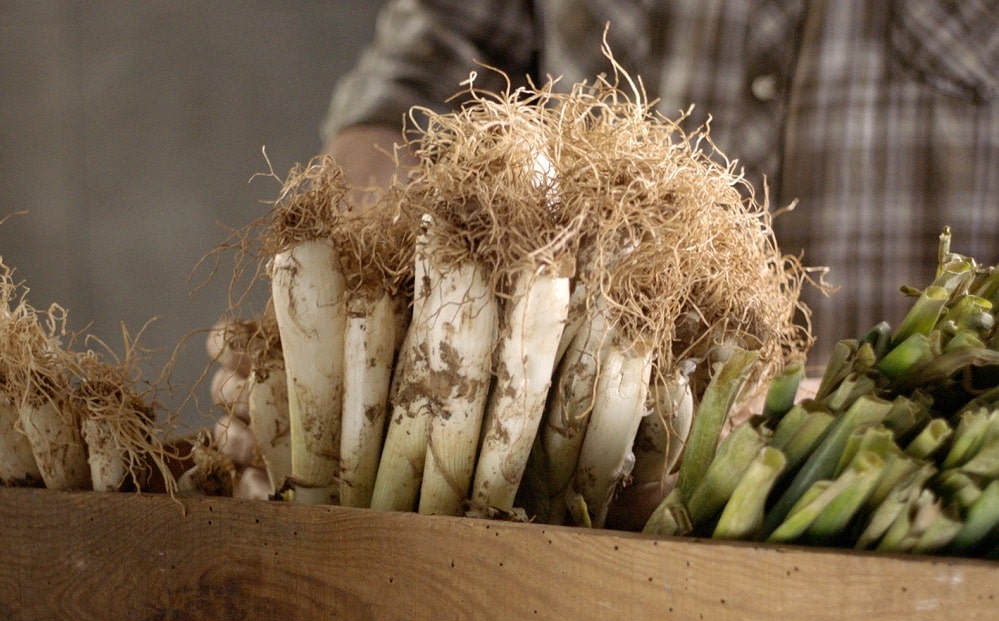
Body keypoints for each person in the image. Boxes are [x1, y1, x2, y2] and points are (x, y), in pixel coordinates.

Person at [210, 0, 998, 517]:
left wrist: (801, 430)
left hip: (897, 525)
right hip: (549, 496)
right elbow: (408, 98)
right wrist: (347, 376)